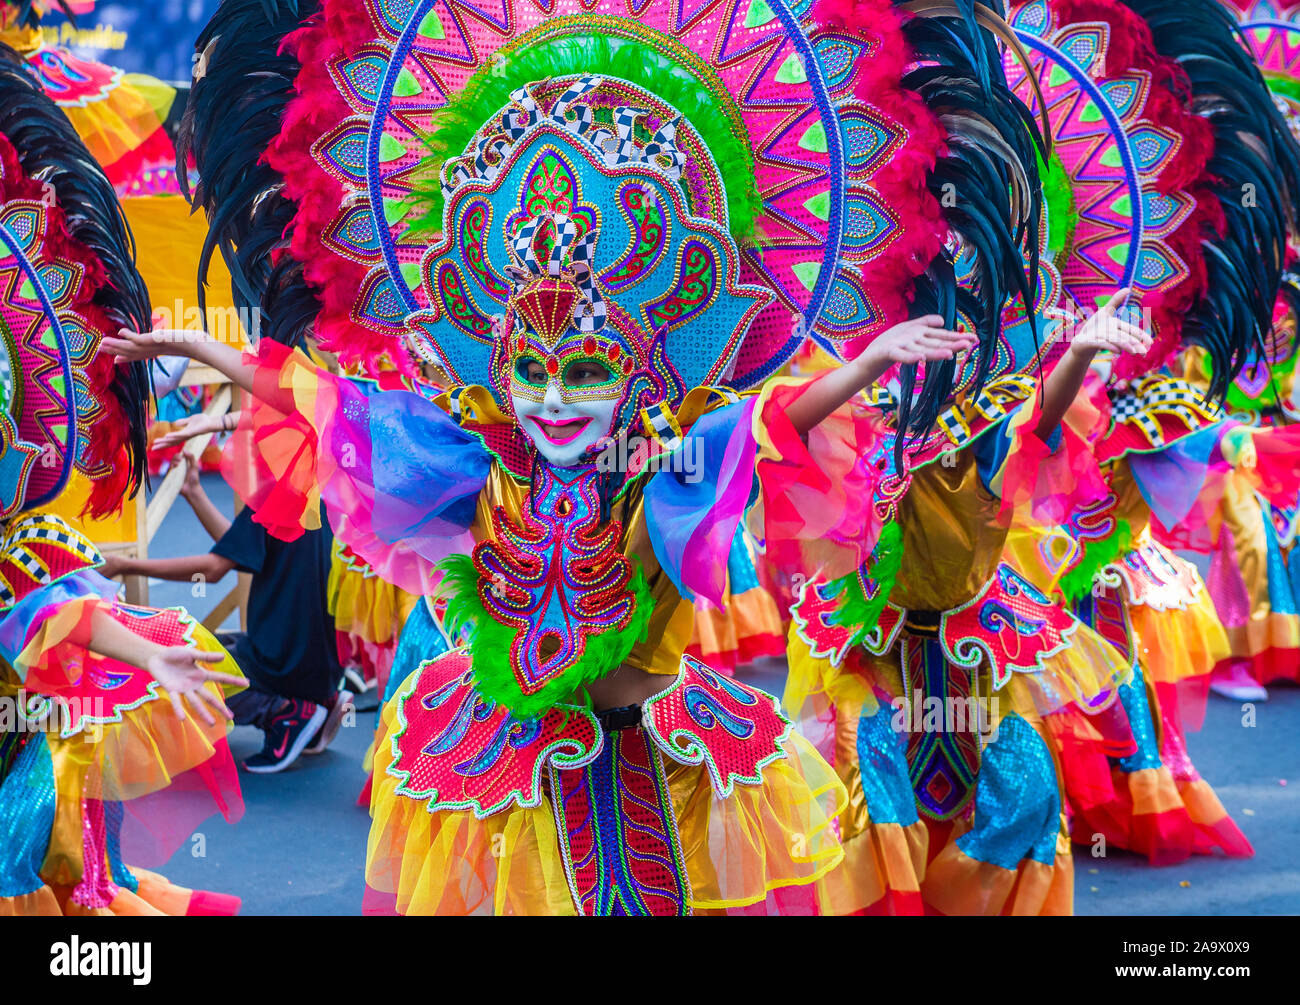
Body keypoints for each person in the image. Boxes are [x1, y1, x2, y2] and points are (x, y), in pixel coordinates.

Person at [100, 452, 351, 773]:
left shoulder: (277, 490)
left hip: (282, 660)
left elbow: (214, 569)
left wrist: (126, 565)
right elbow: (238, 550)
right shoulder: (318, 490)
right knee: (216, 644)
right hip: (322, 660)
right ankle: (323, 700)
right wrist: (195, 494)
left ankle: (283, 713)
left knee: (174, 665)